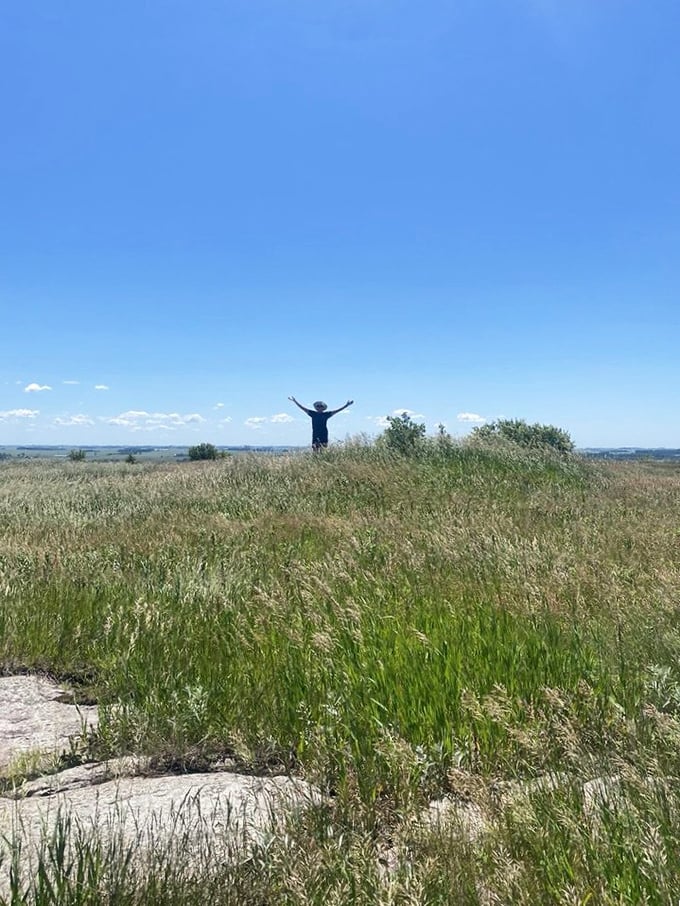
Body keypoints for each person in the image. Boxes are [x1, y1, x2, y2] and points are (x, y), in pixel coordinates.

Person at [288, 396, 353, 451]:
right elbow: (303, 408)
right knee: (315, 449)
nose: (319, 407)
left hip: (323, 433)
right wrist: (295, 401)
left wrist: (346, 405)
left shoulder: (326, 414)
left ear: (323, 408)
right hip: (315, 433)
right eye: (318, 406)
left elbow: (337, 410)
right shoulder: (313, 414)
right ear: (316, 408)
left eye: (321, 406)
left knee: (323, 449)